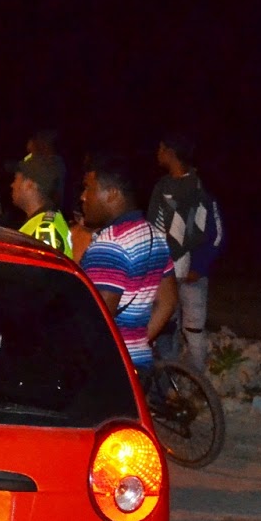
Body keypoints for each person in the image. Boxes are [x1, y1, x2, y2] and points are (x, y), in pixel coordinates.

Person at [80, 156, 177, 374]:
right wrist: (137, 341)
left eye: (88, 188)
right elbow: (168, 302)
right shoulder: (154, 236)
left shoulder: (110, 245)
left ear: (112, 193)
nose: (83, 197)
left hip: (109, 369)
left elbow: (97, 320)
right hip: (139, 362)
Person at [148, 133, 225, 372]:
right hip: (165, 272)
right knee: (166, 326)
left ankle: (196, 380)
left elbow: (216, 234)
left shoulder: (200, 188)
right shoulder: (162, 187)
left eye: (161, 148)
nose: (157, 153)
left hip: (192, 273)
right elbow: (153, 229)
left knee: (193, 328)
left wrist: (199, 267)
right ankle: (166, 378)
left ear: (171, 152)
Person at [11, 156, 72, 255]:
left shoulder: (45, 230)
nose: (12, 185)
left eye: (16, 179)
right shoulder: (39, 222)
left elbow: (47, 270)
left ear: (29, 185)